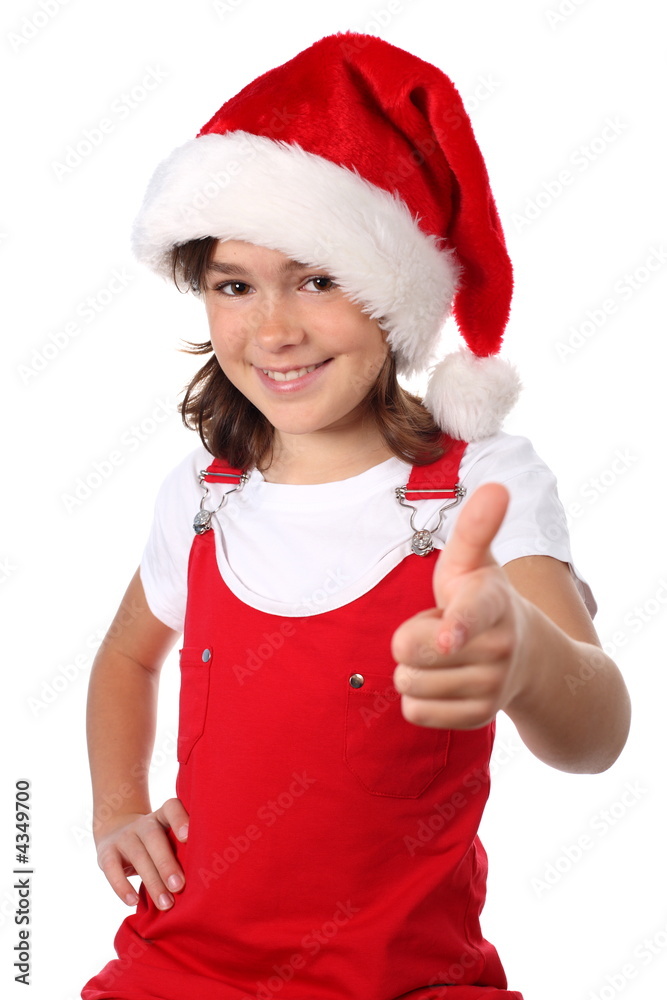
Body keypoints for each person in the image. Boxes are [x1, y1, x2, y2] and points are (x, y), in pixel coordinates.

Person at [81, 31, 630, 1000]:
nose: (274, 329)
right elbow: (128, 654)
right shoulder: (204, 493)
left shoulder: (482, 486)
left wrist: (528, 657)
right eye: (234, 285)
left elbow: (595, 736)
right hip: (184, 967)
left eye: (318, 279)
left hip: (408, 980)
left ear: (391, 298)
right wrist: (116, 805)